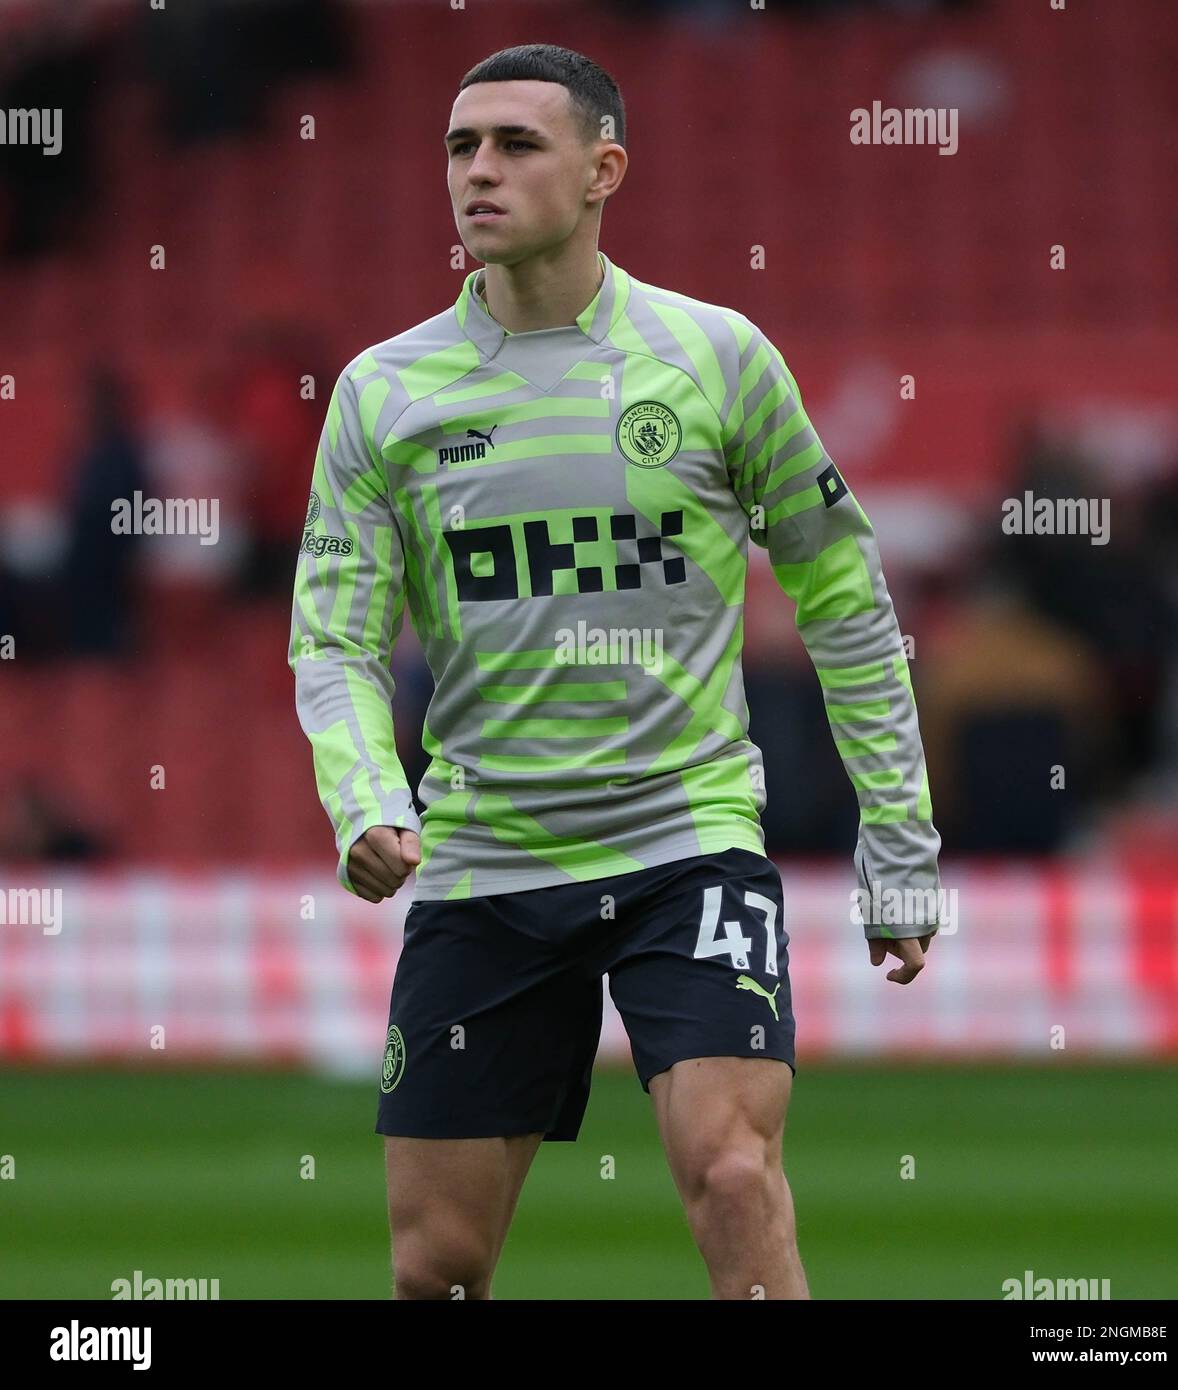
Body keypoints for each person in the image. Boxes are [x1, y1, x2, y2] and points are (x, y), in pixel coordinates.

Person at [288, 43, 941, 1301]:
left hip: (685, 840)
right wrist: (367, 795)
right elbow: (334, 634)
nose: (476, 171)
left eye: (514, 145)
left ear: (603, 171)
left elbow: (846, 602)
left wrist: (898, 844)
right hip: (485, 857)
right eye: (458, 147)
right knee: (436, 1272)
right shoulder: (382, 393)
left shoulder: (714, 356)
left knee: (736, 1176)